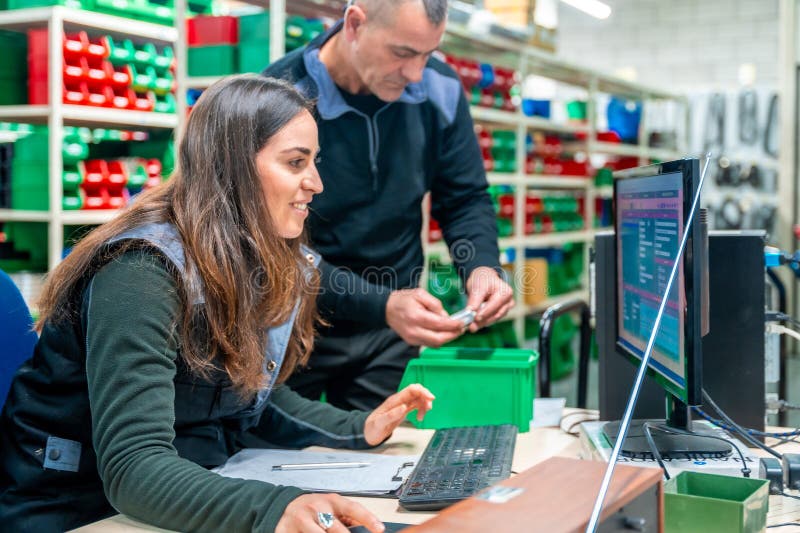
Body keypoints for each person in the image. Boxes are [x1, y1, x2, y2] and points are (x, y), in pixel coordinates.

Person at [0, 75, 434, 533]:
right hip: (77, 512)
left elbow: (247, 396)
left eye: (313, 162)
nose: (316, 183)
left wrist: (359, 427)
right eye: (295, 162)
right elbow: (133, 467)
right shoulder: (141, 273)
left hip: (176, 492)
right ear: (234, 168)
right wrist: (273, 509)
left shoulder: (242, 259)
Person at [263, 0, 514, 411]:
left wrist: (482, 266)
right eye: (402, 53)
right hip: (293, 325)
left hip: (392, 332)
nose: (415, 73)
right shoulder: (279, 96)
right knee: (280, 461)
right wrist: (382, 304)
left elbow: (464, 197)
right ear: (355, 24)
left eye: (427, 54)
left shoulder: (442, 88)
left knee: (382, 463)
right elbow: (267, 243)